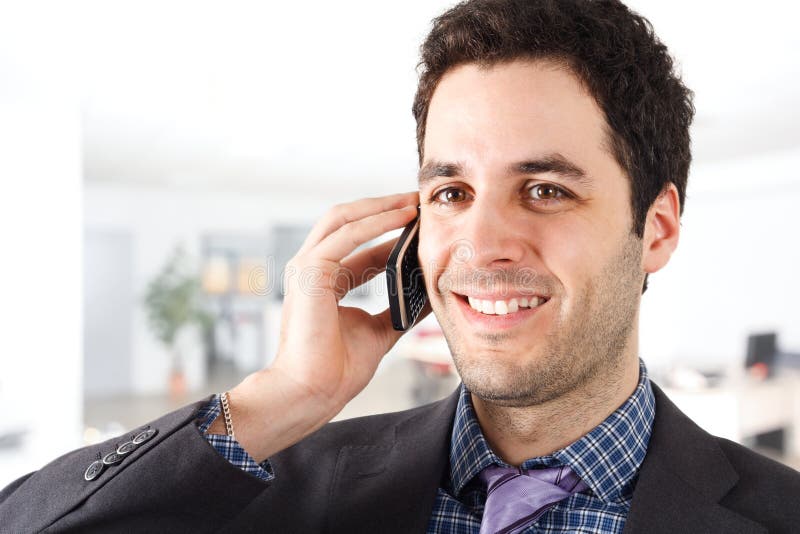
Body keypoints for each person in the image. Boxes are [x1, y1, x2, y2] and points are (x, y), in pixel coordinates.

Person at [2, 0, 799, 532]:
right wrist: (282, 399)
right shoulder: (291, 485)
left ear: (655, 229)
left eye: (546, 189)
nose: (481, 244)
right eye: (451, 191)